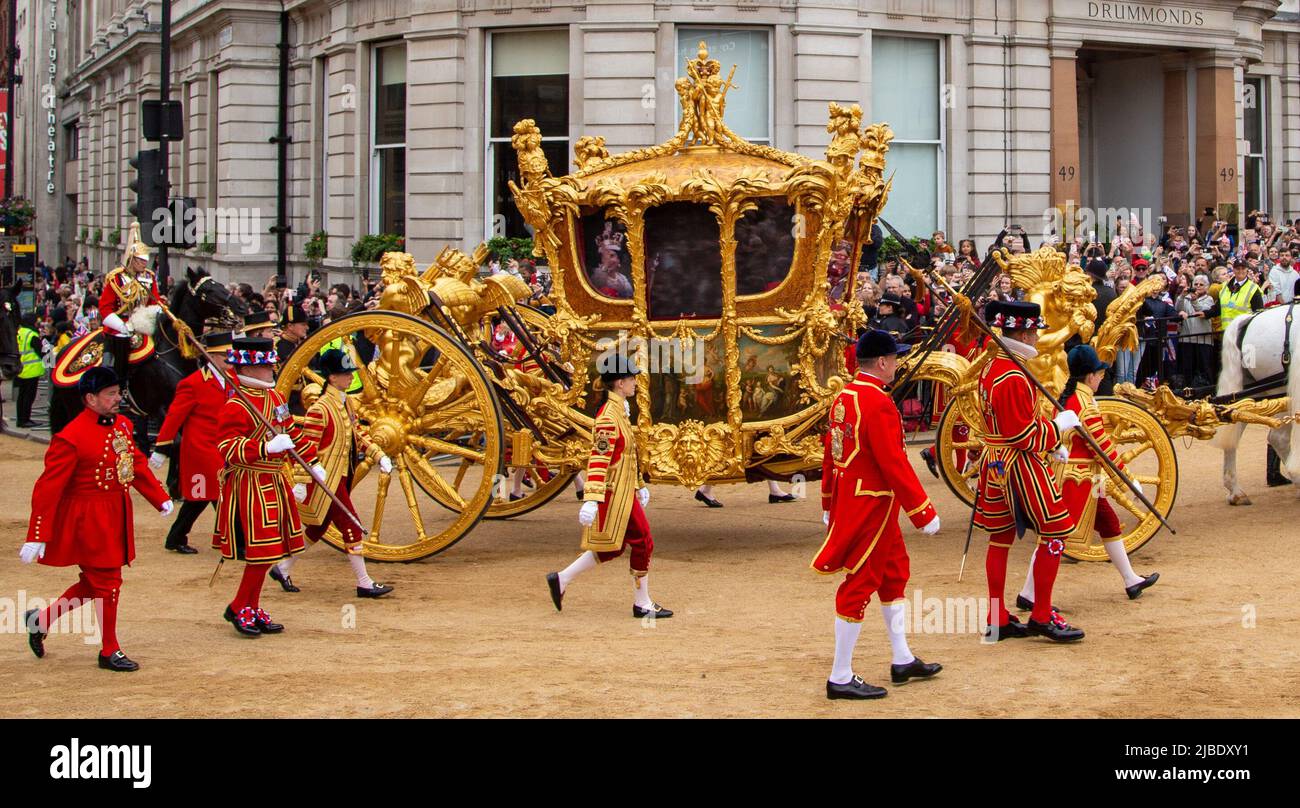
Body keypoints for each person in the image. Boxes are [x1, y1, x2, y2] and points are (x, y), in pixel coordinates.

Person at [814, 330, 942, 700]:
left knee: (893, 574)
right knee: (859, 583)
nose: (898, 364)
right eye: (895, 358)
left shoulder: (845, 396)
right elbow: (894, 463)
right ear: (883, 363)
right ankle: (840, 675)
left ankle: (902, 657)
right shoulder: (877, 403)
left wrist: (827, 501)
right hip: (871, 505)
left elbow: (831, 454)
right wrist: (923, 511)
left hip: (859, 501)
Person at [19, 367, 172, 671]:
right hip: (86, 519)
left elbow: (135, 464)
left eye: (118, 392)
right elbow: (48, 488)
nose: (118, 398)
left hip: (115, 513)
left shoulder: (123, 426)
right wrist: (37, 533)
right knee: (109, 583)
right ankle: (109, 649)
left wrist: (159, 496)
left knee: (96, 583)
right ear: (90, 398)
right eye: (111, 394)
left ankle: (41, 620)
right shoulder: (71, 437)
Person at [974, 300, 1084, 642]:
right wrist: (1057, 429)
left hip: (995, 461)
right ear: (1022, 332)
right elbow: (1022, 434)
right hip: (1018, 463)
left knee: (1001, 536)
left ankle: (998, 616)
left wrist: (1051, 442)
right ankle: (1040, 613)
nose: (1037, 338)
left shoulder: (998, 366)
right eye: (1034, 332)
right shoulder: (1011, 375)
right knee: (1055, 530)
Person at [1022, 345, 1158, 606]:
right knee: (1054, 537)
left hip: (1081, 479)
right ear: (1090, 376)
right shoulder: (1086, 404)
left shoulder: (1069, 399)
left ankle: (1131, 579)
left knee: (1108, 523)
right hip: (1079, 481)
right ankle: (1029, 593)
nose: (1102, 377)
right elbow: (1103, 449)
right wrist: (1128, 480)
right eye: (1099, 373)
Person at [212, 337, 324, 637]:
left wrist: (312, 461)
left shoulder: (274, 399)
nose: (272, 369)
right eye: (265, 366)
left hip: (274, 481)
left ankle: (249, 604)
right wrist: (265, 448)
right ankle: (239, 606)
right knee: (261, 552)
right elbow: (227, 447)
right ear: (249, 367)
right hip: (250, 483)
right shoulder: (236, 404)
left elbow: (291, 433)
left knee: (271, 550)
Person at [546, 355, 670, 618]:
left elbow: (626, 454)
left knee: (612, 548)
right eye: (632, 379)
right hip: (615, 493)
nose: (635, 383)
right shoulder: (608, 417)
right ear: (620, 383)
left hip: (624, 490)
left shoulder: (618, 410)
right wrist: (591, 497)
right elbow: (600, 459)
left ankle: (562, 579)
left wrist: (638, 485)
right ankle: (642, 602)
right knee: (644, 542)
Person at [270, 348, 395, 598]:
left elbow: (358, 433)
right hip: (325, 478)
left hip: (340, 475)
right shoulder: (320, 409)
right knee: (352, 525)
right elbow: (307, 448)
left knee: (318, 528)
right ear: (332, 378)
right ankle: (364, 582)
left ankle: (282, 568)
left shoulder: (345, 401)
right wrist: (303, 482)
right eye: (344, 374)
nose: (350, 377)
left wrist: (378, 454)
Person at [150, 331, 236, 554]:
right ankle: (238, 541)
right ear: (212, 357)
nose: (230, 359)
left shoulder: (234, 379)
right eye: (225, 355)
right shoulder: (193, 383)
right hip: (202, 447)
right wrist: (162, 447)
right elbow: (174, 417)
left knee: (199, 498)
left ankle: (176, 536)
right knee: (221, 492)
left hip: (224, 446)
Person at [97, 223, 161, 380]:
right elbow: (105, 308)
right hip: (121, 324)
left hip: (143, 323)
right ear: (132, 259)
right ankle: (119, 382)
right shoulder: (116, 278)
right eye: (140, 260)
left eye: (146, 260)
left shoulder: (149, 277)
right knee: (122, 341)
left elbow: (154, 301)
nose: (144, 264)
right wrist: (121, 326)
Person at [14, 313, 45, 427]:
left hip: (21, 368)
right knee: (29, 396)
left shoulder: (20, 332)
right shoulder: (32, 334)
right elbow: (41, 351)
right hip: (32, 370)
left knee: (21, 396)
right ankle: (25, 420)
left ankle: (20, 419)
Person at [275, 301, 310, 365]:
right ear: (290, 326)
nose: (307, 328)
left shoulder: (298, 343)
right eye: (303, 324)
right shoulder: (280, 347)